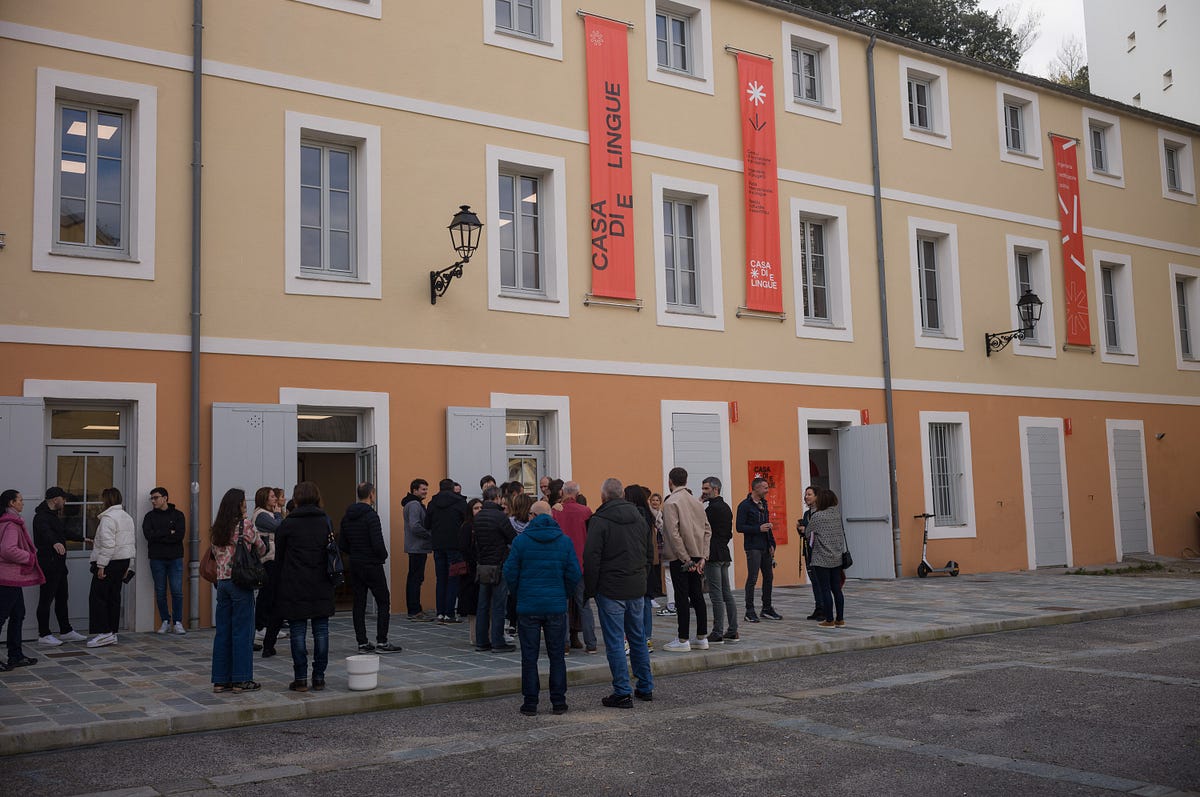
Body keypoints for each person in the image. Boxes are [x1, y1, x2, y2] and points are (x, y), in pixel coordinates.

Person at [503, 500, 580, 716]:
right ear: (551, 517)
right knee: (557, 655)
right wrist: (563, 593)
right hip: (555, 605)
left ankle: (530, 703)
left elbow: (509, 572)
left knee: (529, 655)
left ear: (533, 516)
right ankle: (558, 702)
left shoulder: (521, 541)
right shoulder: (564, 541)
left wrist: (520, 593)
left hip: (529, 605)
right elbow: (574, 573)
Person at [584, 478, 655, 708]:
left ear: (604, 496)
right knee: (638, 638)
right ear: (622, 494)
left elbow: (591, 557)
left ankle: (622, 691)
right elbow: (648, 553)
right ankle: (645, 686)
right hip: (635, 585)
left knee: (615, 641)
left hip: (611, 588)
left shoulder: (600, 520)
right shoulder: (640, 518)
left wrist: (590, 589)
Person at [274, 481, 337, 691]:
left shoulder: (288, 524)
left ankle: (300, 678)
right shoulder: (325, 521)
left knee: (298, 631)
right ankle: (319, 676)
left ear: (297, 498)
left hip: (295, 583)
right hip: (321, 582)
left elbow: (279, 556)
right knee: (321, 631)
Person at [209, 487, 267, 693]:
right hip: (240, 582)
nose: (246, 504)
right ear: (239, 504)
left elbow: (215, 554)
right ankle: (241, 679)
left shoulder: (217, 528)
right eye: (243, 501)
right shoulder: (246, 525)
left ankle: (220, 680)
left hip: (222, 582)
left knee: (223, 631)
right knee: (243, 631)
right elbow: (261, 548)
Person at [341, 482, 400, 655]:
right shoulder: (371, 516)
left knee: (358, 603)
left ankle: (362, 642)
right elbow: (377, 543)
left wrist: (355, 553)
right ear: (371, 494)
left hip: (355, 564)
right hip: (372, 564)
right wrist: (382, 557)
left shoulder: (347, 516)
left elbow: (343, 544)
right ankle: (382, 641)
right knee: (383, 600)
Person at [661, 468, 711, 653]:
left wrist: (685, 559)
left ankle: (683, 639)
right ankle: (701, 636)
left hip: (680, 556)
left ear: (670, 481)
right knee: (697, 595)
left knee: (681, 596)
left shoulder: (671, 502)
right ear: (686, 480)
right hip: (697, 555)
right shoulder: (696, 503)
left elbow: (673, 534)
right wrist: (703, 557)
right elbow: (707, 530)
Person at [33, 487, 84, 646]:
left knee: (62, 598)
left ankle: (66, 631)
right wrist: (54, 542)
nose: (65, 502)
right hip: (49, 564)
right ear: (56, 499)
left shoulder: (54, 516)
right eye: (64, 499)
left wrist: (83, 539)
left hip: (59, 565)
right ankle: (44, 634)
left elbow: (63, 532)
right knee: (46, 599)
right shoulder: (41, 517)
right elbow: (45, 532)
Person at [0, 490, 44, 670]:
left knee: (18, 614)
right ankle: (15, 654)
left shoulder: (7, 521)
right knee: (3, 617)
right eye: (20, 500)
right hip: (7, 578)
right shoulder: (11, 524)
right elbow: (8, 550)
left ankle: (15, 655)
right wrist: (29, 557)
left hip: (10, 579)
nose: (22, 503)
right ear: (11, 503)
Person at [87, 487, 136, 648]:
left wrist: (101, 565)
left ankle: (104, 632)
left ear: (107, 500)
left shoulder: (108, 518)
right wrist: (130, 565)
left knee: (98, 598)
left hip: (109, 562)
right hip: (122, 562)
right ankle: (112, 633)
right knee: (114, 597)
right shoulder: (127, 517)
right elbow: (130, 543)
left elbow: (108, 545)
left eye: (102, 499)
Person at [472, 486, 515, 652]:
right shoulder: (500, 516)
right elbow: (512, 538)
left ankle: (482, 641)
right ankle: (498, 641)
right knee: (498, 605)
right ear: (497, 497)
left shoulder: (479, 516)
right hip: (499, 564)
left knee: (482, 605)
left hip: (483, 565)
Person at [554, 481, 595, 653]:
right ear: (577, 494)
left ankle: (564, 644)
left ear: (562, 492)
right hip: (580, 563)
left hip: (561, 563)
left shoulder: (556, 511)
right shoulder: (585, 511)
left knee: (562, 606)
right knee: (584, 605)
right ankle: (591, 643)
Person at [142, 486, 187, 635]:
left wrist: (159, 535)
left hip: (175, 558)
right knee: (160, 591)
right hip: (157, 559)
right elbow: (148, 535)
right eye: (152, 498)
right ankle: (165, 621)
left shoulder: (178, 515)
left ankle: (178, 622)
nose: (153, 501)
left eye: (155, 497)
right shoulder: (149, 517)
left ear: (165, 498)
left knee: (176, 591)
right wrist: (168, 532)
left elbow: (179, 535)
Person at [736, 477, 780, 622]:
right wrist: (757, 529)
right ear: (756, 488)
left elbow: (767, 525)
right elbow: (739, 527)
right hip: (753, 546)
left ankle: (767, 608)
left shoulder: (764, 504)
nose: (767, 490)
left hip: (765, 546)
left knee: (769, 577)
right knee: (753, 578)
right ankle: (749, 610)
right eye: (765, 488)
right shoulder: (744, 505)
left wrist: (772, 543)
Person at [425, 478, 468, 624]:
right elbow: (466, 522)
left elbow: (427, 524)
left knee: (441, 579)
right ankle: (450, 613)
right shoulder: (460, 503)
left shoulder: (432, 503)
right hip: (456, 546)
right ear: (452, 488)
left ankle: (441, 612)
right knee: (454, 579)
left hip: (438, 546)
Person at [701, 476, 738, 644]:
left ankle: (717, 632)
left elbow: (702, 530)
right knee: (726, 593)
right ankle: (733, 630)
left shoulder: (711, 510)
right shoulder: (726, 507)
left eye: (706, 489)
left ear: (716, 489)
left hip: (713, 554)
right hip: (724, 552)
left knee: (716, 595)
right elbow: (729, 533)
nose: (704, 492)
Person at [252, 487, 285, 657]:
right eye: (272, 497)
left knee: (272, 593)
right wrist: (279, 514)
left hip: (273, 558)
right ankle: (261, 626)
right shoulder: (262, 514)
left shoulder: (267, 513)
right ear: (265, 498)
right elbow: (278, 527)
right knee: (267, 594)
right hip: (267, 559)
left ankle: (269, 626)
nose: (276, 499)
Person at [808, 488, 849, 628]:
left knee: (825, 589)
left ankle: (829, 619)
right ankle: (840, 619)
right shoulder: (837, 514)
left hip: (821, 559)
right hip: (837, 558)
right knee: (837, 589)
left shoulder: (817, 516)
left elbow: (808, 533)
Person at [624, 485, 657, 653]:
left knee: (634, 603)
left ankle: (632, 639)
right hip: (647, 563)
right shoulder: (648, 514)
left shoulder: (633, 515)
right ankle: (647, 639)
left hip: (637, 564)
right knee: (645, 602)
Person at [402, 478, 433, 621]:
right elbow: (415, 526)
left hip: (416, 546)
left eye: (426, 489)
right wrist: (429, 535)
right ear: (415, 490)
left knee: (415, 578)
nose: (426, 492)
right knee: (415, 579)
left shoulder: (413, 503)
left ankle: (415, 609)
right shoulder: (414, 504)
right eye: (423, 489)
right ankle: (415, 611)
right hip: (417, 547)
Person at [797, 486, 823, 620]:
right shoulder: (807, 514)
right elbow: (805, 533)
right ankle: (818, 607)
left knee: (821, 581)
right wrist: (800, 529)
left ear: (817, 497)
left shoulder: (821, 512)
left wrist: (805, 529)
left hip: (820, 551)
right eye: (805, 494)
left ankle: (824, 608)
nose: (806, 497)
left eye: (809, 494)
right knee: (814, 580)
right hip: (809, 551)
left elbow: (820, 530)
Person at [650, 492, 674, 616]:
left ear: (660, 503)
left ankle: (659, 591)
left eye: (657, 500)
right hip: (655, 544)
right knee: (654, 569)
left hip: (662, 544)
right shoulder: (650, 514)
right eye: (653, 500)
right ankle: (654, 593)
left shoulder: (661, 514)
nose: (655, 502)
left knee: (661, 568)